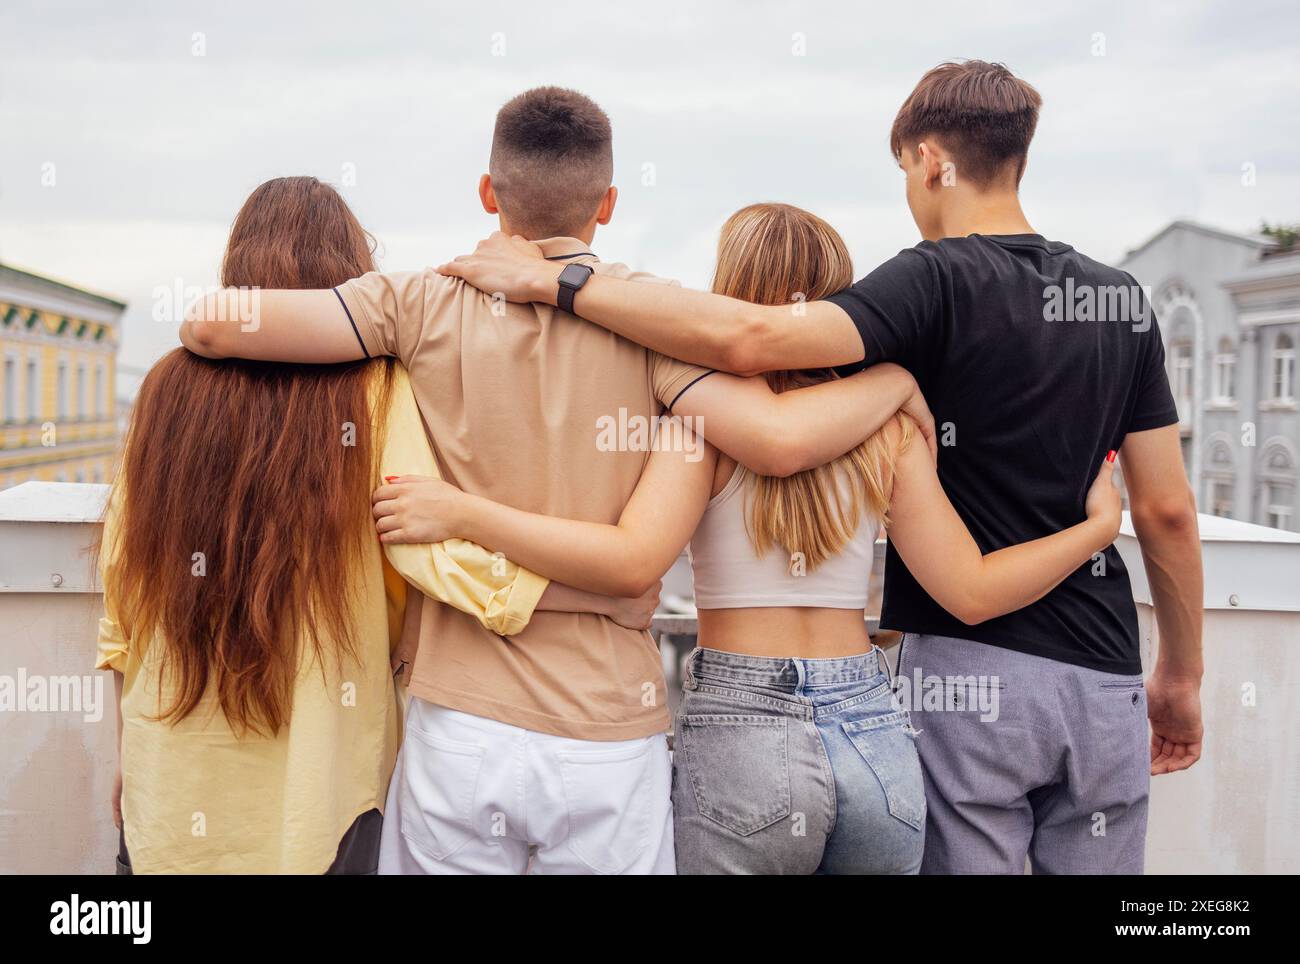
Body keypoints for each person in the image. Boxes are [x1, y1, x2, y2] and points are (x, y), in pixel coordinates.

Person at [436, 62, 1205, 875]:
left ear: (931, 160)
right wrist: (1118, 567)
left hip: (787, 715)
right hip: (941, 716)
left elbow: (642, 556)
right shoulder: (923, 409)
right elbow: (1130, 526)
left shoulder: (719, 410)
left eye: (906, 166)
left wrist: (556, 284)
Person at [179, 88, 936, 875]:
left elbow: (211, 324)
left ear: (487, 193)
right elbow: (777, 440)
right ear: (606, 203)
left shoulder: (415, 301)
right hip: (608, 733)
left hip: (459, 721)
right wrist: (893, 387)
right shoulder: (653, 323)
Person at [376, 200, 1123, 875]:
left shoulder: (700, 420)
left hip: (745, 727)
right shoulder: (887, 426)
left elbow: (634, 561)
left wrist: (467, 520)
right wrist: (1095, 528)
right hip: (872, 732)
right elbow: (971, 592)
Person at [99, 176, 654, 874]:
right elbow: (437, 556)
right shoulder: (376, 391)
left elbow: (124, 596)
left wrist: (125, 751)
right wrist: (598, 594)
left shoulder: (164, 389)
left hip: (171, 778)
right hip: (322, 784)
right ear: (348, 274)